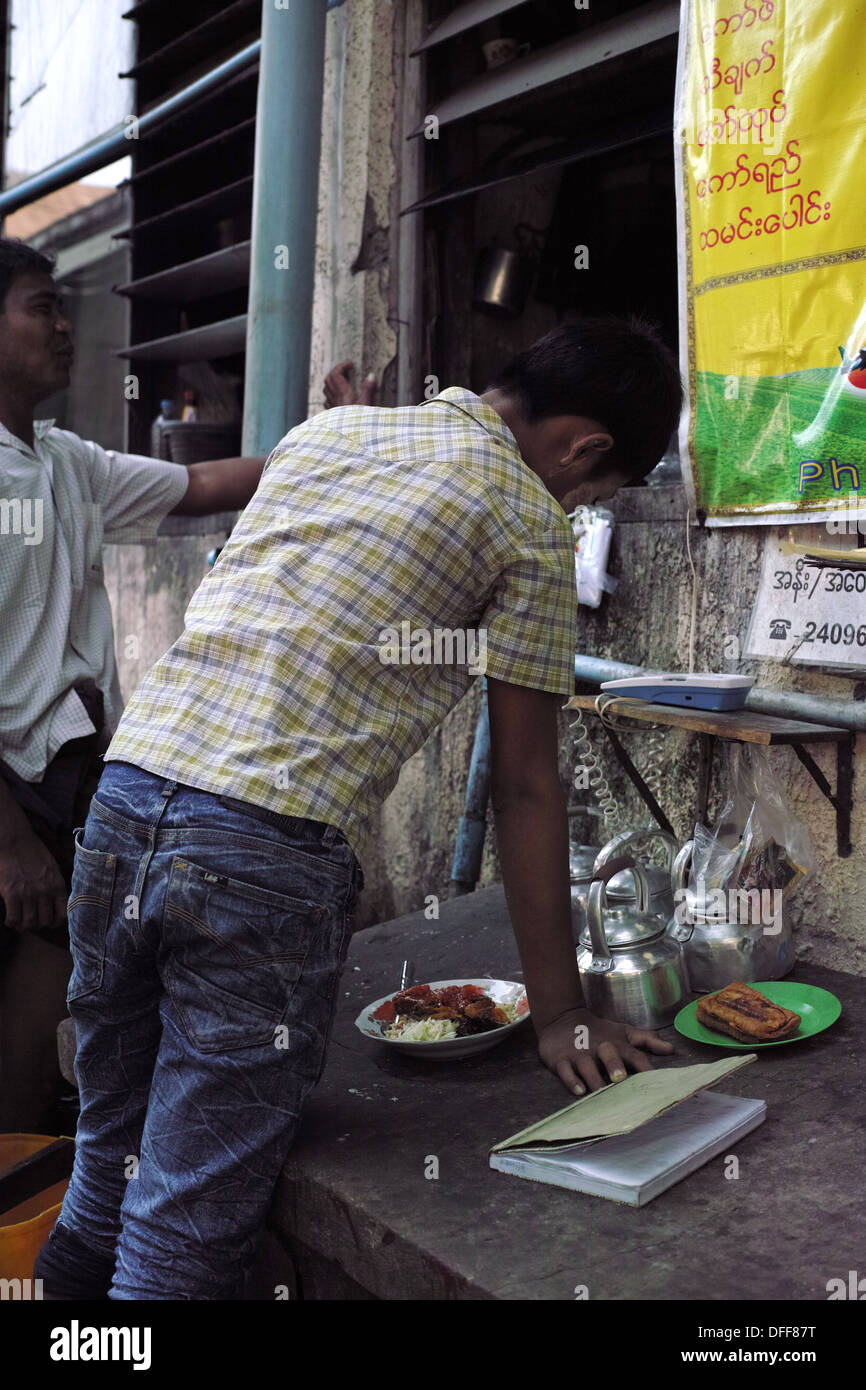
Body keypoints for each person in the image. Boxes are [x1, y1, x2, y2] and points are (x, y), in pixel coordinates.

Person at [34, 316, 683, 1301]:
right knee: (182, 1236)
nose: (583, 501)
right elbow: (522, 783)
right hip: (258, 852)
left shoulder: (329, 435)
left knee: (103, 1169)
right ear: (583, 450)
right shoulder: (528, 524)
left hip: (124, 806)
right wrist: (558, 1016)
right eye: (597, 488)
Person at [0, 239, 267, 1132]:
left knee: (38, 1014)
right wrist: (7, 839)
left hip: (66, 777)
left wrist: (337, 443)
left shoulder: (65, 462)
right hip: (8, 794)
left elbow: (199, 483)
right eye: (42, 306)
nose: (65, 325)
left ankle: (36, 1210)